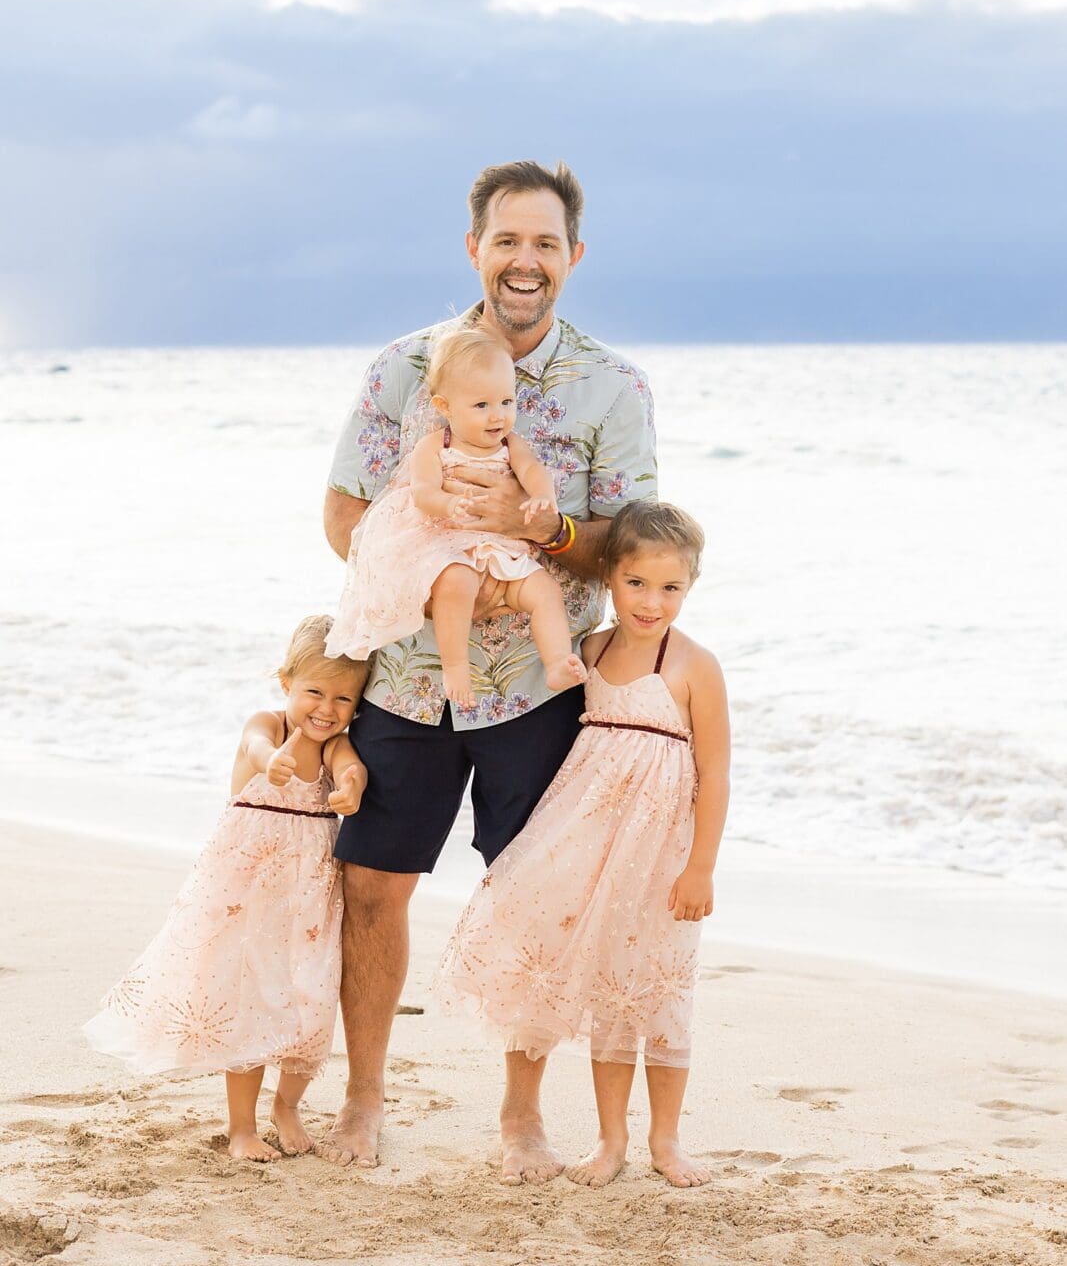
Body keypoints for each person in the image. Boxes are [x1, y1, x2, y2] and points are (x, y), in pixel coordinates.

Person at [319, 159, 658, 1182]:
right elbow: (340, 514)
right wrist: (438, 586)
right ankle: (364, 1099)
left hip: (541, 690)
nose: (524, 261)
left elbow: (631, 543)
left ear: (572, 257)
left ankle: (519, 1117)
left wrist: (542, 529)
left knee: (531, 895)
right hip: (410, 677)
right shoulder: (399, 369)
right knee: (373, 886)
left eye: (544, 243)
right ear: (474, 248)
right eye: (506, 240)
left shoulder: (614, 386)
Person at [435, 502, 730, 1189]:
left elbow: (713, 772)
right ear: (608, 576)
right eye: (634, 584)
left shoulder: (693, 666)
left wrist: (701, 867)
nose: (650, 602)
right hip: (591, 841)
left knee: (654, 992)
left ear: (689, 586)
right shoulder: (591, 650)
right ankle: (611, 1141)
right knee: (607, 995)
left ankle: (665, 1140)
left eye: (669, 588)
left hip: (658, 854)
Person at [84, 616, 369, 1162]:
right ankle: (242, 1128)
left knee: (306, 1004)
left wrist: (351, 787)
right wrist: (274, 763)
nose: (327, 708)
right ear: (286, 683)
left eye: (343, 698)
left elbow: (350, 766)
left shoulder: (336, 745)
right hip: (244, 897)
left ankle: (287, 1104)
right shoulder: (271, 727)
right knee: (248, 1005)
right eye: (314, 691)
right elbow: (255, 744)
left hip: (306, 903)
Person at [325, 327, 586, 704]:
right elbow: (423, 492)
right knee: (457, 582)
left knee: (543, 590)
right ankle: (456, 666)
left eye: (507, 402)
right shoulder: (434, 446)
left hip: (500, 548)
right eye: (481, 406)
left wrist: (542, 495)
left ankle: (558, 660)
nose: (498, 416)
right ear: (445, 407)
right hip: (447, 543)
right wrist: (448, 504)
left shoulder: (511, 444)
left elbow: (532, 470)